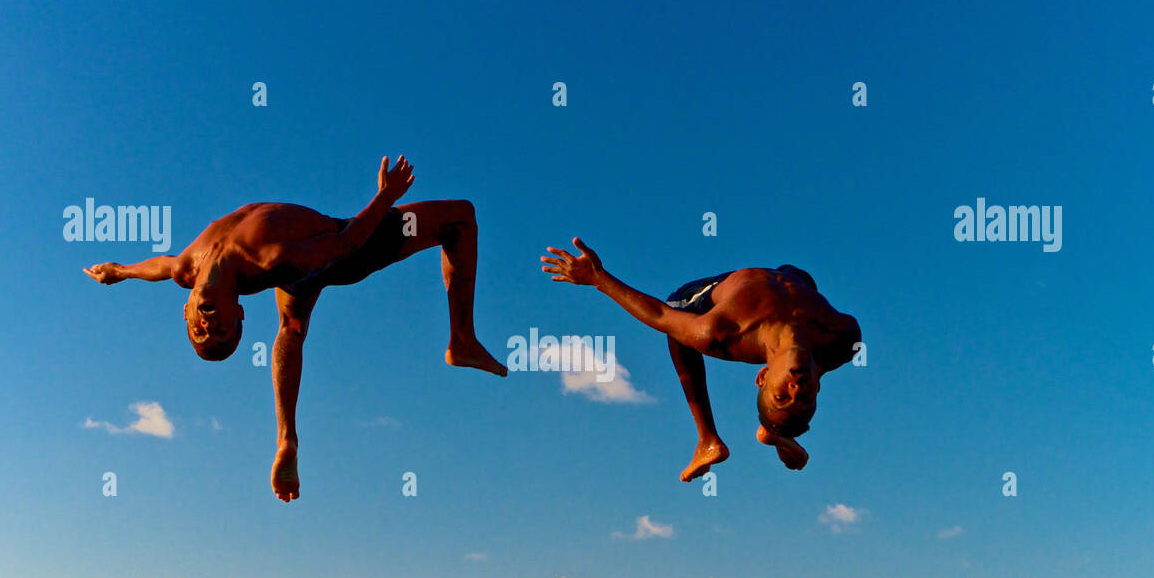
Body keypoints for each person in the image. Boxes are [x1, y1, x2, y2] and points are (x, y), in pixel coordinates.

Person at [85, 156, 506, 500]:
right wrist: (386, 196)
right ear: (241, 313)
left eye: (200, 331)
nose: (208, 325)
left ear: (186, 309)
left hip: (307, 260)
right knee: (459, 218)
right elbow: (348, 245)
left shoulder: (184, 269)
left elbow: (155, 266)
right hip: (345, 244)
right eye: (221, 332)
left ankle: (288, 439)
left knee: (292, 326)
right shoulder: (274, 262)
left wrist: (119, 271)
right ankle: (461, 339)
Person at [541, 238, 859, 480]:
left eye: (782, 395)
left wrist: (599, 278)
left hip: (732, 290)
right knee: (799, 272)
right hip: (793, 279)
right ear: (817, 383)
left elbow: (660, 315)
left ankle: (707, 438)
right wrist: (782, 419)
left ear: (762, 376)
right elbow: (818, 365)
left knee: (679, 318)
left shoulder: (721, 330)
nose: (796, 387)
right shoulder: (844, 336)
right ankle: (774, 430)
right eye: (803, 397)